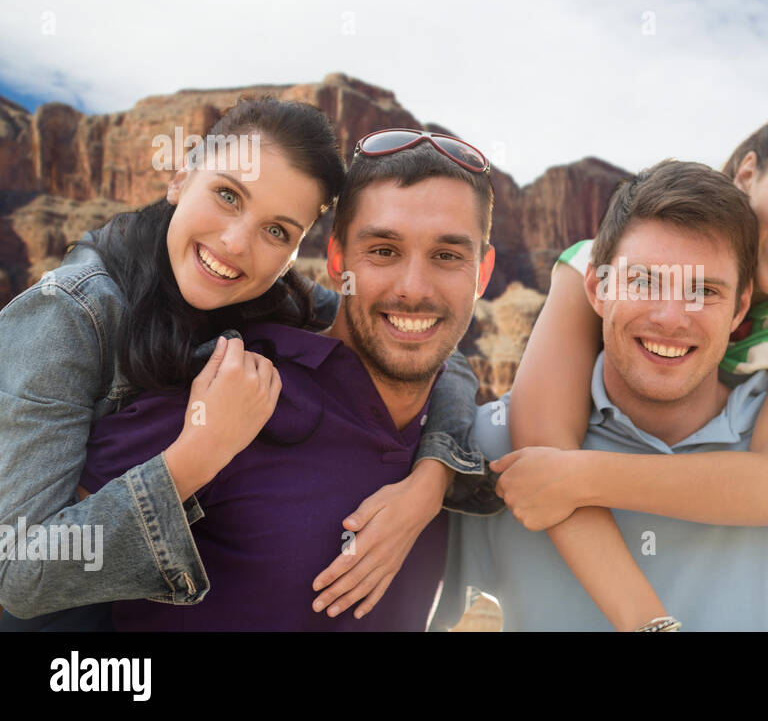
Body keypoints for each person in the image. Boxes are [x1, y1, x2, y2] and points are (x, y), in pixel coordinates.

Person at [0, 103, 487, 629]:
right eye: (227, 195)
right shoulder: (72, 313)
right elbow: (18, 575)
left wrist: (430, 481)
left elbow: (424, 347)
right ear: (183, 174)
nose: (236, 243)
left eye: (277, 231)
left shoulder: (271, 293)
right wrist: (201, 452)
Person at [491, 92, 768, 630]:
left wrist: (583, 474)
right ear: (748, 172)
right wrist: (649, 622)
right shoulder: (600, 268)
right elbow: (540, 456)